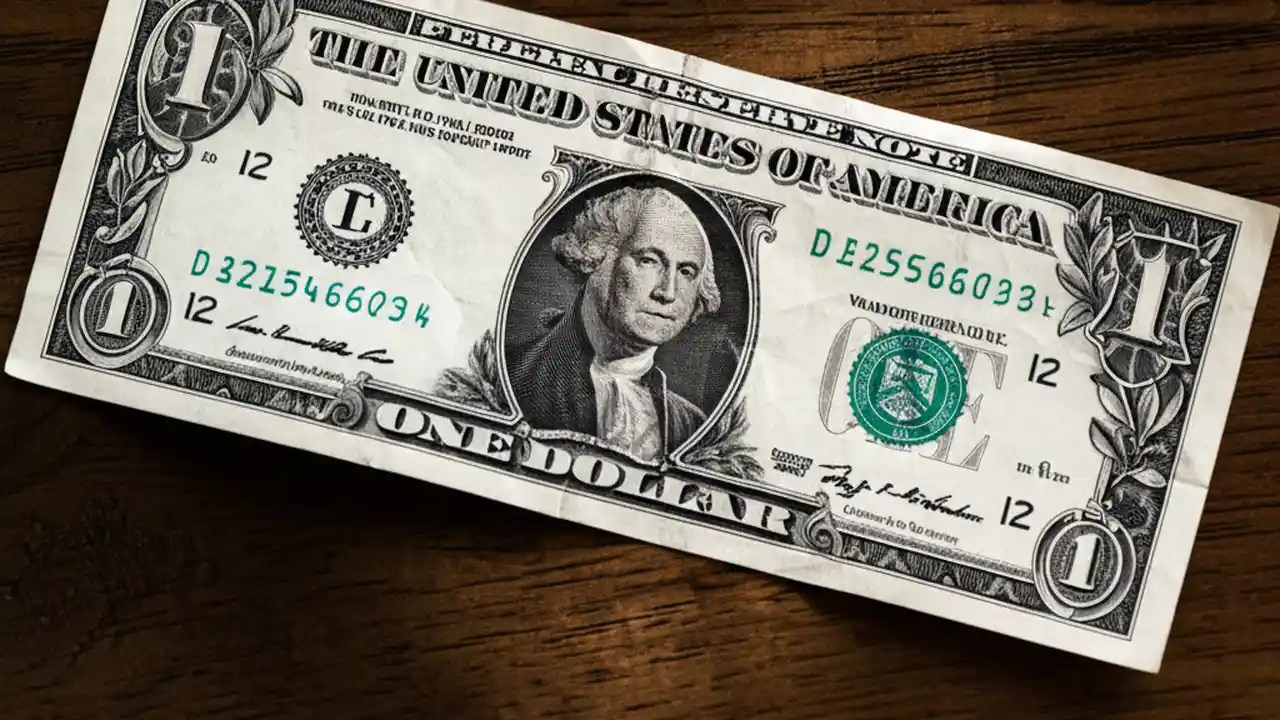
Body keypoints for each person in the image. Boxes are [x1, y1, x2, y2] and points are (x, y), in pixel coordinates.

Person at [507, 186, 721, 461]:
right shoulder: (511, 376)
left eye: (686, 271)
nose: (667, 292)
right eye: (649, 261)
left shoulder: (692, 425)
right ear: (595, 257)